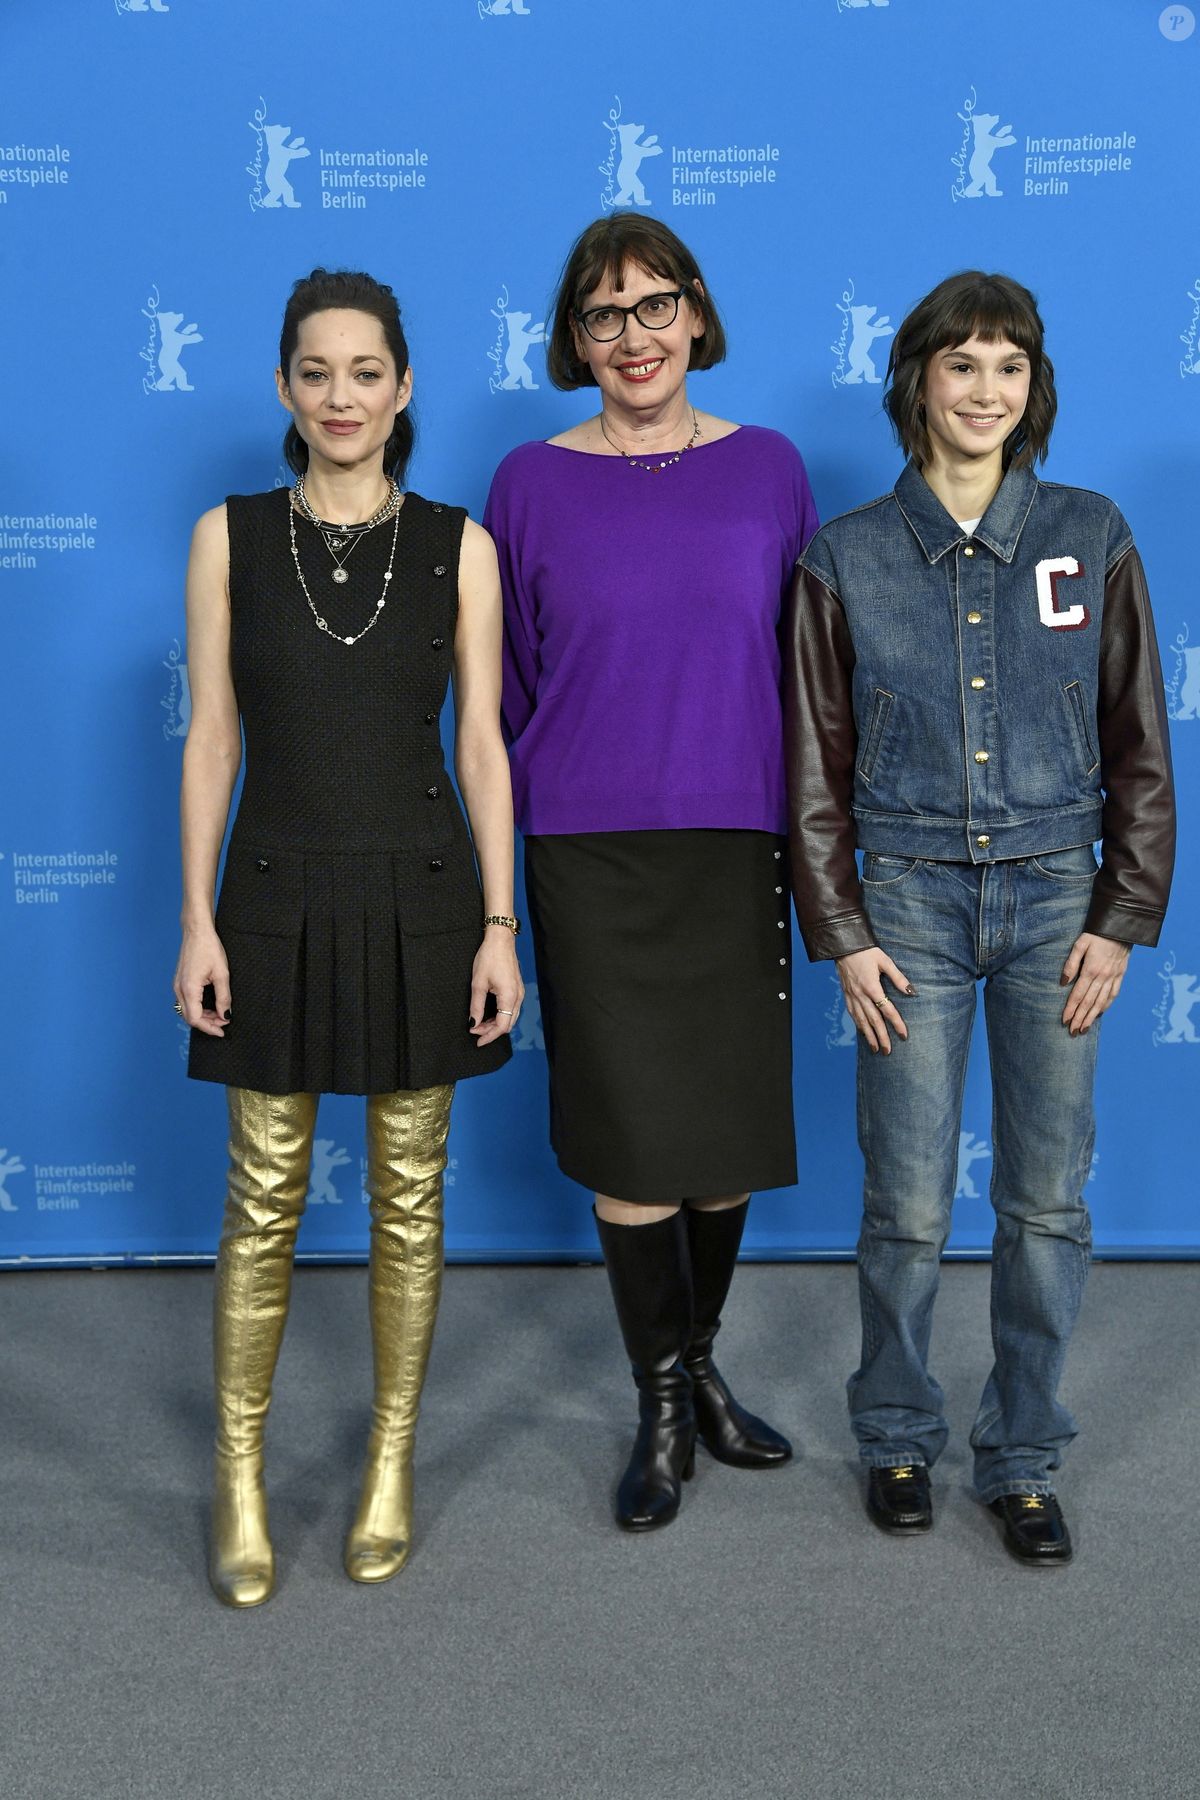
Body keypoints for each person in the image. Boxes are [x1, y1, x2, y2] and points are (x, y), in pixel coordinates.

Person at [785, 271, 1175, 1563]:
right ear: (918, 383)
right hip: (906, 910)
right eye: (961, 365)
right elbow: (814, 772)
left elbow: (1140, 749)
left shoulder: (1092, 534)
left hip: (1061, 898)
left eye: (1008, 367)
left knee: (1046, 1202)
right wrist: (842, 931)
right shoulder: (842, 558)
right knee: (904, 1201)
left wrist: (1121, 915)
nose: (984, 391)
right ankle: (897, 1431)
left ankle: (1021, 1456)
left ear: (1034, 388)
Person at [175, 268, 522, 1607]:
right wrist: (195, 915)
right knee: (260, 1200)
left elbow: (481, 747)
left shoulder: (460, 544)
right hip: (269, 889)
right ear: (283, 386)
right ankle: (242, 1476)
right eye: (316, 373)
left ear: (404, 385)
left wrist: (498, 926)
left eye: (365, 372)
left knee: (409, 1195)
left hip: (423, 893)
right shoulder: (228, 537)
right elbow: (213, 736)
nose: (341, 397)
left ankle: (391, 1462)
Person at [485, 215, 818, 1531]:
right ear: (575, 340)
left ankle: (704, 1363)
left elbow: (808, 676)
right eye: (603, 315)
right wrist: (502, 892)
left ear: (697, 312)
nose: (633, 336)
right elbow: (504, 695)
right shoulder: (527, 482)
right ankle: (661, 1408)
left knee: (723, 1140)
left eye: (654, 305)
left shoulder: (773, 471)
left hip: (739, 838)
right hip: (590, 850)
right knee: (633, 1141)